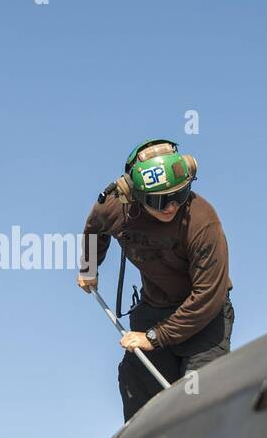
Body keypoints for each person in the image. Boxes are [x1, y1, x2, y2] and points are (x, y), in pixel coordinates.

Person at [77, 140, 233, 420]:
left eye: (179, 195)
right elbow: (93, 228)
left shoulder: (203, 222)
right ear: (133, 194)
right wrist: (89, 268)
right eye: (159, 200)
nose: (171, 207)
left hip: (205, 320)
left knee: (200, 400)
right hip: (154, 309)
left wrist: (154, 337)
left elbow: (209, 296)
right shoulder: (114, 207)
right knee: (137, 385)